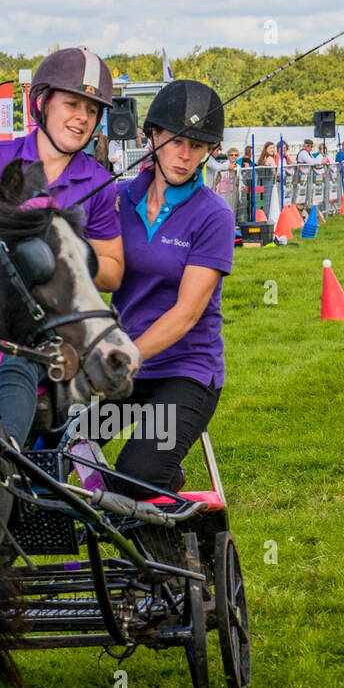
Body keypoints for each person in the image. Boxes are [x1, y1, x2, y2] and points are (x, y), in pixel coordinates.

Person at [0, 45, 123, 449]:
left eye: (92, 110)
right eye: (72, 103)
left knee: (18, 360)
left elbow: (113, 271)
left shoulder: (98, 184)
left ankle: (4, 465)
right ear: (42, 104)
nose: (82, 118)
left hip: (50, 329)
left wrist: (68, 256)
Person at [98, 79, 235, 497]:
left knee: (136, 475)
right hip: (124, 372)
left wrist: (129, 355)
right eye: (175, 140)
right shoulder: (117, 200)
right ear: (152, 135)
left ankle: (162, 491)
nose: (184, 154)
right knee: (56, 446)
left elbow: (188, 312)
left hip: (184, 373)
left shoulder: (214, 216)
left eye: (197, 145)